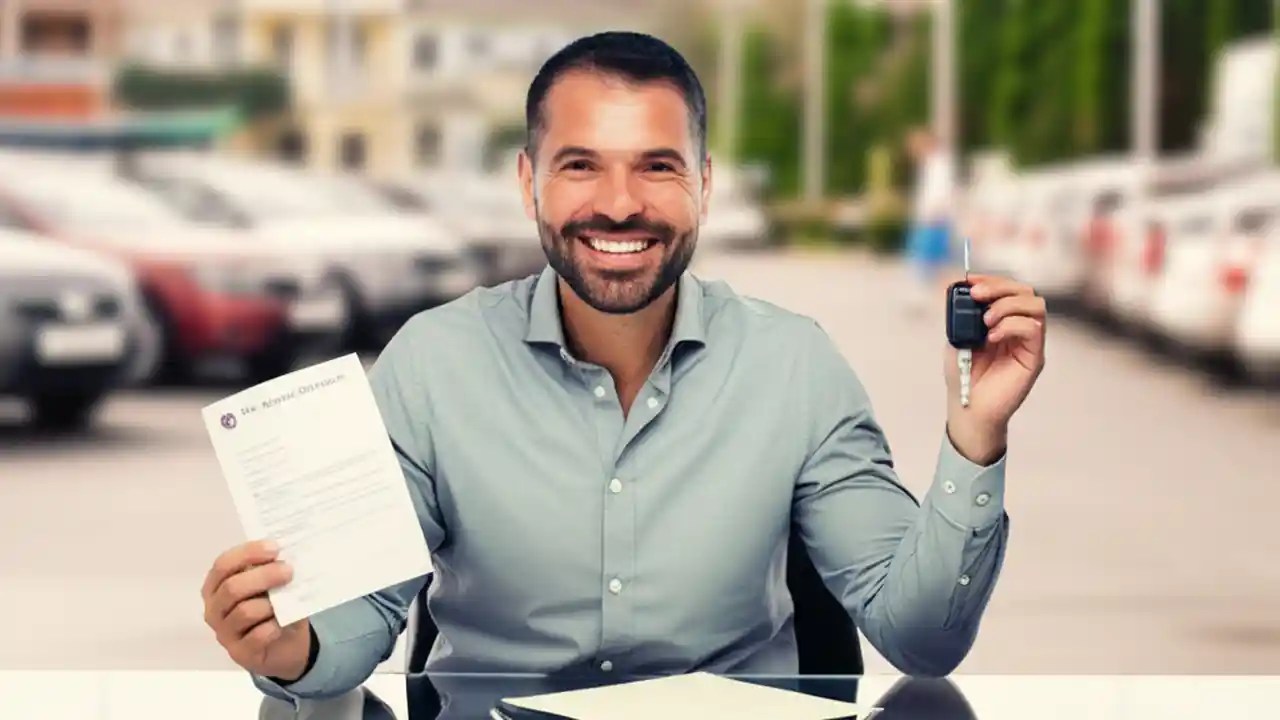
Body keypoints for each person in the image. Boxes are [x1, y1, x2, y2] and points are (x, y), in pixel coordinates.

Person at [200, 31, 1047, 702]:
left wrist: (975, 438)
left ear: (705, 187)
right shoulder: (432, 363)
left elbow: (924, 640)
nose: (617, 204)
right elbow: (360, 615)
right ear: (528, 181)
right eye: (580, 166)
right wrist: (289, 646)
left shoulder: (796, 365)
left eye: (657, 166)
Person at [904, 128, 958, 314]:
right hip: (932, 220)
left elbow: (939, 195)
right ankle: (937, 299)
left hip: (934, 220)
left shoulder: (939, 165)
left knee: (927, 261)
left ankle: (927, 300)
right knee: (934, 263)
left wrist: (934, 215)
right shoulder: (933, 165)